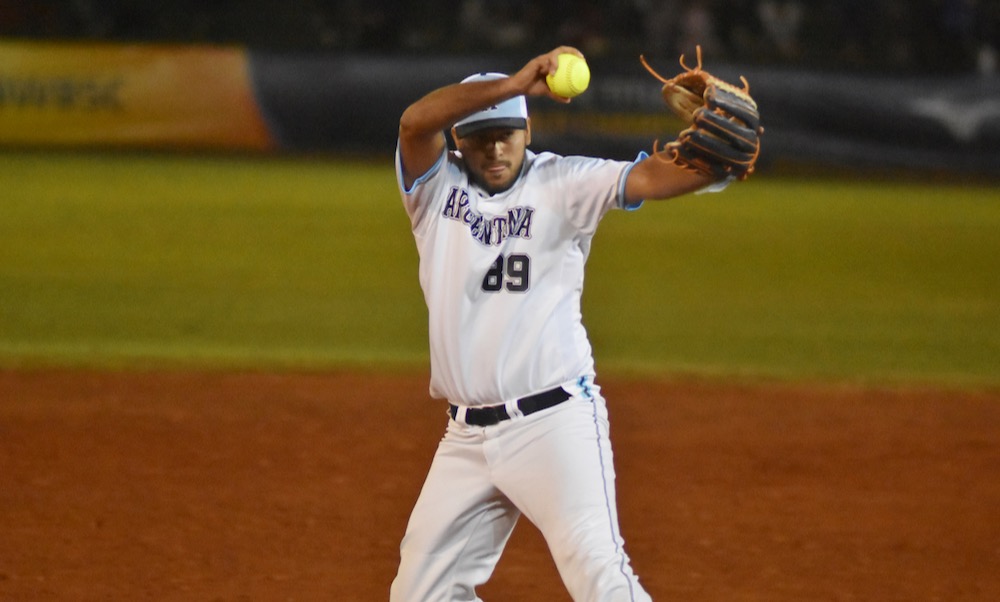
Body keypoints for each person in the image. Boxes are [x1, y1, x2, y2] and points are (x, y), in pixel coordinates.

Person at [390, 46, 719, 601]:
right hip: (466, 437)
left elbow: (647, 178)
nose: (494, 148)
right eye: (478, 137)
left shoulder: (564, 183)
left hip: (552, 423)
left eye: (507, 134)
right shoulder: (434, 192)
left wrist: (710, 164)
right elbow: (412, 122)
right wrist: (512, 84)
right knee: (420, 594)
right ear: (456, 141)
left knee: (598, 576)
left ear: (527, 130)